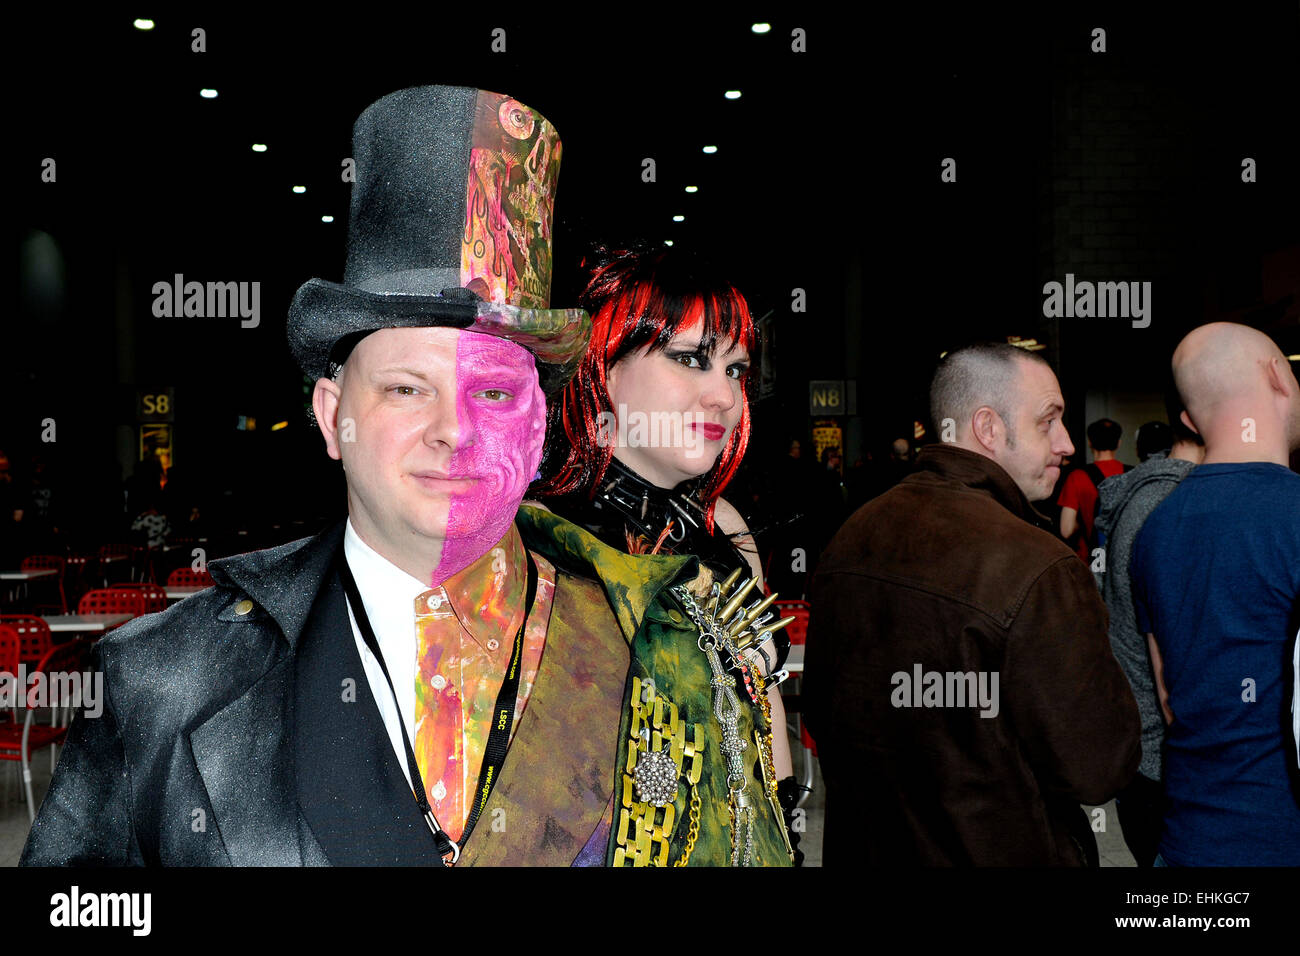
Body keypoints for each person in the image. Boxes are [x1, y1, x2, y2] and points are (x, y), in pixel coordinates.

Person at [21, 86, 789, 868]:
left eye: (492, 392)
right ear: (330, 416)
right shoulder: (158, 680)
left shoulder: (673, 650)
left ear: (535, 426)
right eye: (404, 388)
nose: (454, 427)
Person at [803, 342, 1140, 865]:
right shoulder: (1038, 565)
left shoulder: (851, 537)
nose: (1067, 443)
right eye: (1048, 421)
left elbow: (826, 717)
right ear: (988, 428)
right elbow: (1099, 768)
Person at [532, 246, 801, 861]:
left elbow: (765, 709)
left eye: (735, 371)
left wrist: (782, 830)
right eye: (690, 360)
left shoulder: (726, 529)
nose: (723, 398)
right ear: (604, 368)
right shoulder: (537, 538)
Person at [1130, 322, 1300, 866]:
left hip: (1187, 846)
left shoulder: (1154, 531)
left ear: (1187, 418)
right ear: (1279, 376)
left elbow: (1168, 697)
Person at [1092, 405, 1203, 866]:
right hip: (1159, 756)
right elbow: (1170, 669)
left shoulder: (1151, 493)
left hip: (1142, 748)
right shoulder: (1167, 502)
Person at [1057, 418, 1127, 561]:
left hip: (1093, 561)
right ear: (1119, 443)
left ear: (1090, 442)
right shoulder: (1132, 473)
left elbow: (1066, 530)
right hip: (1124, 561)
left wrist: (1085, 520)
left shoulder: (1077, 476)